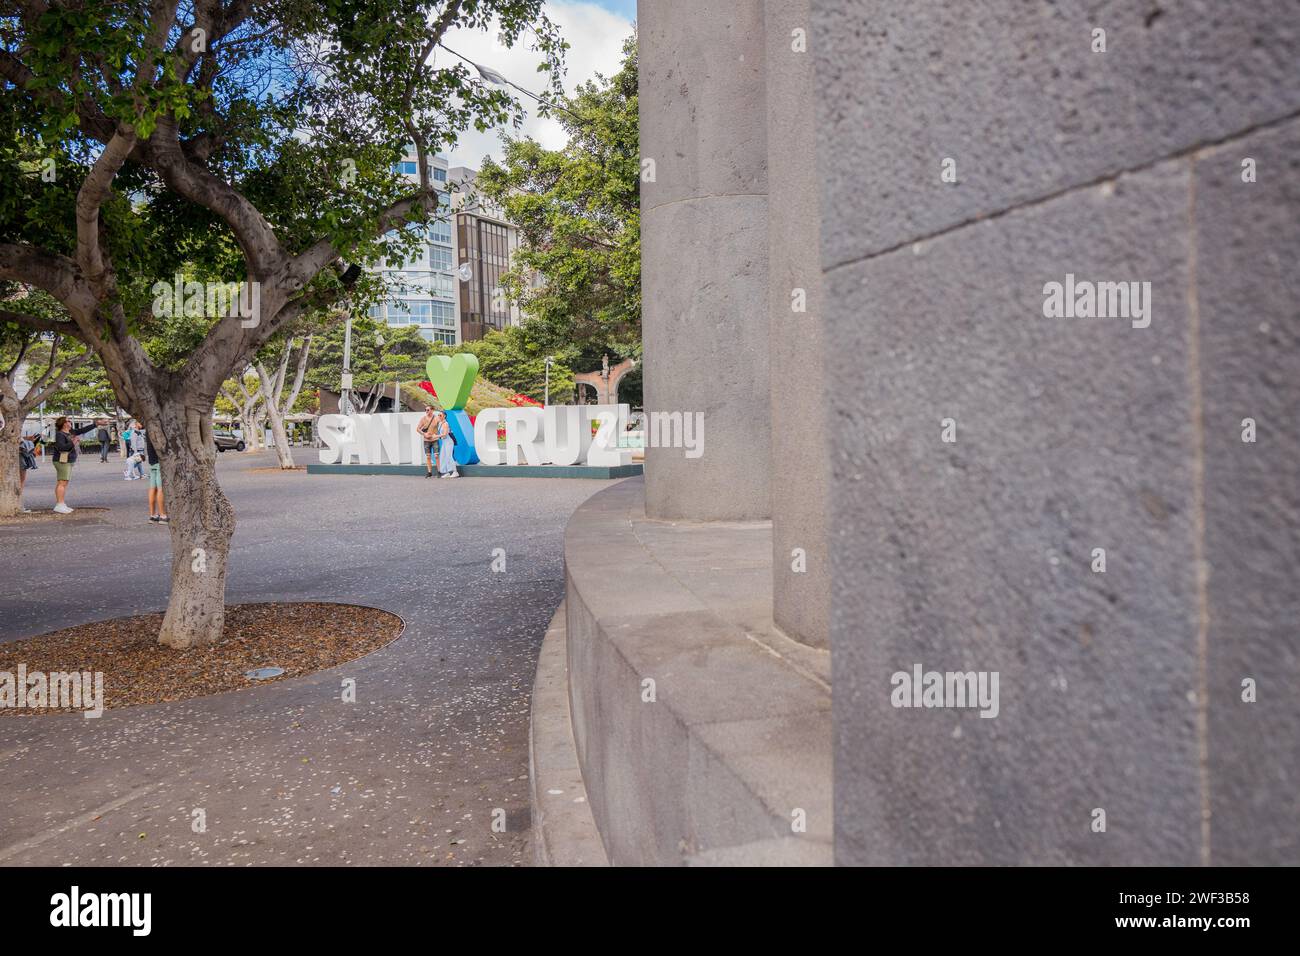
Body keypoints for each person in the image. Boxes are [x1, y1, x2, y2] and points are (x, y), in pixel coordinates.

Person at [48, 416, 101, 514]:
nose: (70, 422)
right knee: (62, 482)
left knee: (63, 482)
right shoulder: (60, 434)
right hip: (62, 461)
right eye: (68, 421)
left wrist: (96, 424)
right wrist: (74, 441)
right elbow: (62, 448)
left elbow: (82, 430)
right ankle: (59, 504)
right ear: (63, 423)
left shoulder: (70, 432)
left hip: (68, 460)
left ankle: (61, 504)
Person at [145, 433, 167, 523]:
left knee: (152, 488)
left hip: (152, 462)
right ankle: (162, 515)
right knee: (160, 489)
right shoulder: (157, 429)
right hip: (159, 462)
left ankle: (153, 515)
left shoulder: (148, 431)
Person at [17, 430, 39, 513]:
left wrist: (27, 438)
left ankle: (18, 503)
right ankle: (18, 504)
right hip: (17, 456)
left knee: (21, 481)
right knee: (20, 481)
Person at [417, 406, 439, 478]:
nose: (426, 411)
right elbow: (418, 429)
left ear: (432, 410)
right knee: (428, 457)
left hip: (434, 440)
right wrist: (424, 434)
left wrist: (436, 435)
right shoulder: (423, 419)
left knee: (436, 456)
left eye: (428, 410)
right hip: (426, 441)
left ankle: (439, 471)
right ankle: (429, 472)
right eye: (425, 410)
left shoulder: (436, 418)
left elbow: (440, 427)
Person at [435, 412, 458, 478]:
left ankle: (455, 472)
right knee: (443, 456)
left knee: (449, 456)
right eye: (438, 415)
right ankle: (447, 472)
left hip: (449, 442)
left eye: (440, 415)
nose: (439, 416)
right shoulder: (440, 424)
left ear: (444, 416)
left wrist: (436, 436)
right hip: (444, 442)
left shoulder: (446, 424)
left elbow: (445, 434)